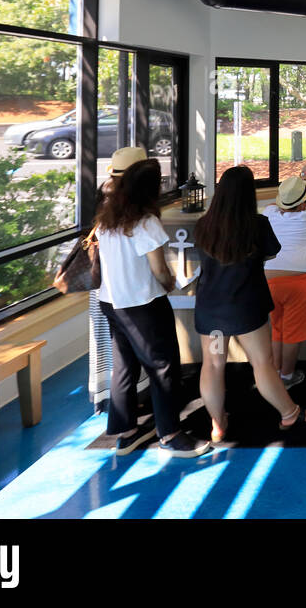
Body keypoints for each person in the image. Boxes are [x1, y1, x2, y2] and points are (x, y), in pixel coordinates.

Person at [95, 156, 210, 457]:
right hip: (142, 305)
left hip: (111, 302)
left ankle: (125, 432)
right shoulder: (145, 222)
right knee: (162, 368)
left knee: (124, 366)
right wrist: (171, 281)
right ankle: (170, 435)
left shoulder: (107, 218)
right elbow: (159, 271)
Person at [194, 166, 306, 439]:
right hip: (247, 307)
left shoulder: (203, 225)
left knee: (213, 365)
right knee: (262, 363)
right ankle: (289, 413)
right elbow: (270, 256)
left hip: (211, 310)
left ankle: (217, 424)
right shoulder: (256, 224)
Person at [263, 177, 306, 387]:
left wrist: (286, 204)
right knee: (292, 334)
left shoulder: (270, 213)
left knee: (277, 329)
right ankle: (287, 376)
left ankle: (275, 373)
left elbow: (272, 205)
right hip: (298, 282)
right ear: (303, 202)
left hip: (269, 281)